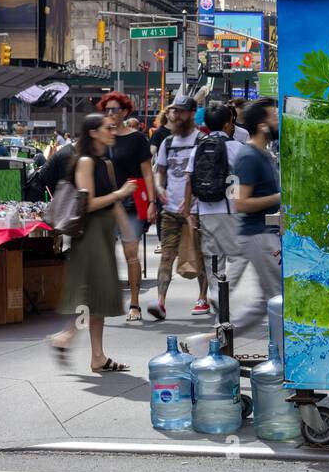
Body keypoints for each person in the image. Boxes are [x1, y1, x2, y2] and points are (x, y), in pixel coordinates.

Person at [46, 114, 136, 373]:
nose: (113, 131)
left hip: (103, 234)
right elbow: (90, 204)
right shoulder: (85, 162)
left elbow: (114, 202)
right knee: (92, 293)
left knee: (100, 295)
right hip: (90, 235)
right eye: (108, 128)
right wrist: (120, 194)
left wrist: (128, 235)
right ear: (93, 133)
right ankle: (65, 337)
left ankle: (97, 356)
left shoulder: (103, 163)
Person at [97, 91, 158, 321]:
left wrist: (152, 203)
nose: (110, 114)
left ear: (124, 112)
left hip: (130, 203)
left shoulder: (136, 139)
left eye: (115, 109)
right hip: (105, 202)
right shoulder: (101, 137)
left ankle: (134, 304)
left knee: (131, 254)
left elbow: (147, 173)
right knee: (101, 254)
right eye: (107, 110)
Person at [185, 103, 248, 321]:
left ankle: (217, 297)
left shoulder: (198, 147)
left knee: (213, 258)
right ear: (228, 123)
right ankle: (224, 294)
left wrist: (188, 212)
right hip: (231, 209)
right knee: (240, 255)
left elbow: (189, 180)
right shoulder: (238, 148)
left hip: (206, 209)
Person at [149, 96, 208, 319]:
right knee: (167, 255)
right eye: (173, 112)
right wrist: (159, 187)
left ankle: (202, 296)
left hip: (196, 210)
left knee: (200, 254)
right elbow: (160, 170)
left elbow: (205, 175)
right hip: (171, 209)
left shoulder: (202, 140)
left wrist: (194, 197)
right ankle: (160, 302)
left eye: (181, 112)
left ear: (192, 113)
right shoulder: (168, 142)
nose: (175, 116)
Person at [230, 98, 283, 338]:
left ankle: (215, 340)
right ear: (262, 125)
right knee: (279, 300)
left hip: (265, 235)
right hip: (260, 236)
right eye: (274, 116)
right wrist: (280, 197)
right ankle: (282, 358)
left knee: (266, 303)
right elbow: (241, 202)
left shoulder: (263, 153)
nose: (278, 120)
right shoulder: (249, 156)